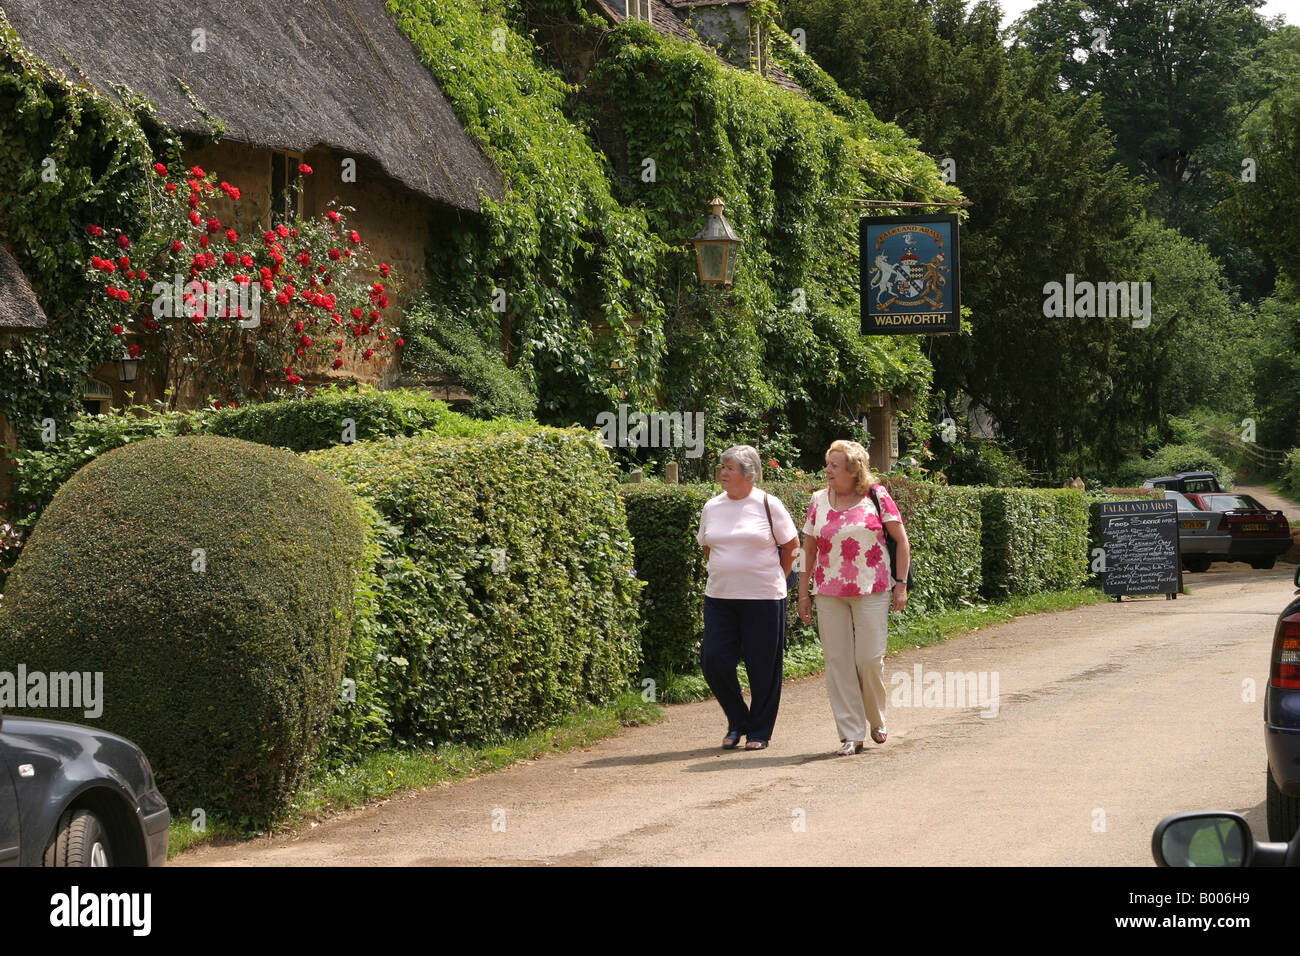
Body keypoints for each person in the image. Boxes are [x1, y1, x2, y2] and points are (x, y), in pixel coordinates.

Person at [797, 440, 911, 755]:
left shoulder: (877, 496)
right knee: (838, 662)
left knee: (869, 659)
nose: (827, 470)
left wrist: (900, 584)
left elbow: (901, 542)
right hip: (829, 590)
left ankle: (876, 718)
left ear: (853, 469)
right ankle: (851, 733)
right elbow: (808, 550)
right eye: (827, 464)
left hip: (872, 588)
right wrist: (802, 593)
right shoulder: (818, 500)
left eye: (834, 465)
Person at [697, 445, 799, 750]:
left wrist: (777, 577)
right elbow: (707, 546)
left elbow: (792, 547)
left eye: (729, 468)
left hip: (764, 597)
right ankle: (738, 719)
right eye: (722, 467)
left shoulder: (769, 503)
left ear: (749, 475)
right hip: (720, 596)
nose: (723, 473)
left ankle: (759, 732)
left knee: (763, 665)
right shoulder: (712, 507)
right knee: (713, 660)